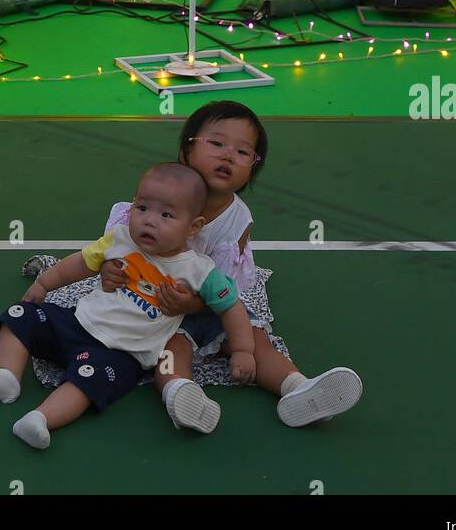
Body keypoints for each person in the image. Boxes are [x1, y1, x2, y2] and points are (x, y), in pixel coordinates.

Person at [100, 101, 363, 433]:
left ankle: (297, 387)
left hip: (209, 301)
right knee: (170, 350)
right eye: (216, 143)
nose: (227, 156)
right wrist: (112, 270)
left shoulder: (238, 219)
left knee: (254, 339)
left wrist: (205, 314)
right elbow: (121, 248)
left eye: (242, 152)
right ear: (186, 151)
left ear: (252, 168)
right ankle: (179, 391)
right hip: (151, 300)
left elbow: (226, 290)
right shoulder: (161, 194)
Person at [0, 162, 255, 449]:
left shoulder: (200, 270)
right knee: (20, 314)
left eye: (166, 215)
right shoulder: (120, 239)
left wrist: (243, 350)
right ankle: (7, 377)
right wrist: (43, 284)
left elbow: (231, 306)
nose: (149, 220)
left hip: (122, 354)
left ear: (193, 227)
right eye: (142, 208)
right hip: (77, 323)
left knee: (88, 380)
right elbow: (79, 263)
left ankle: (40, 419)